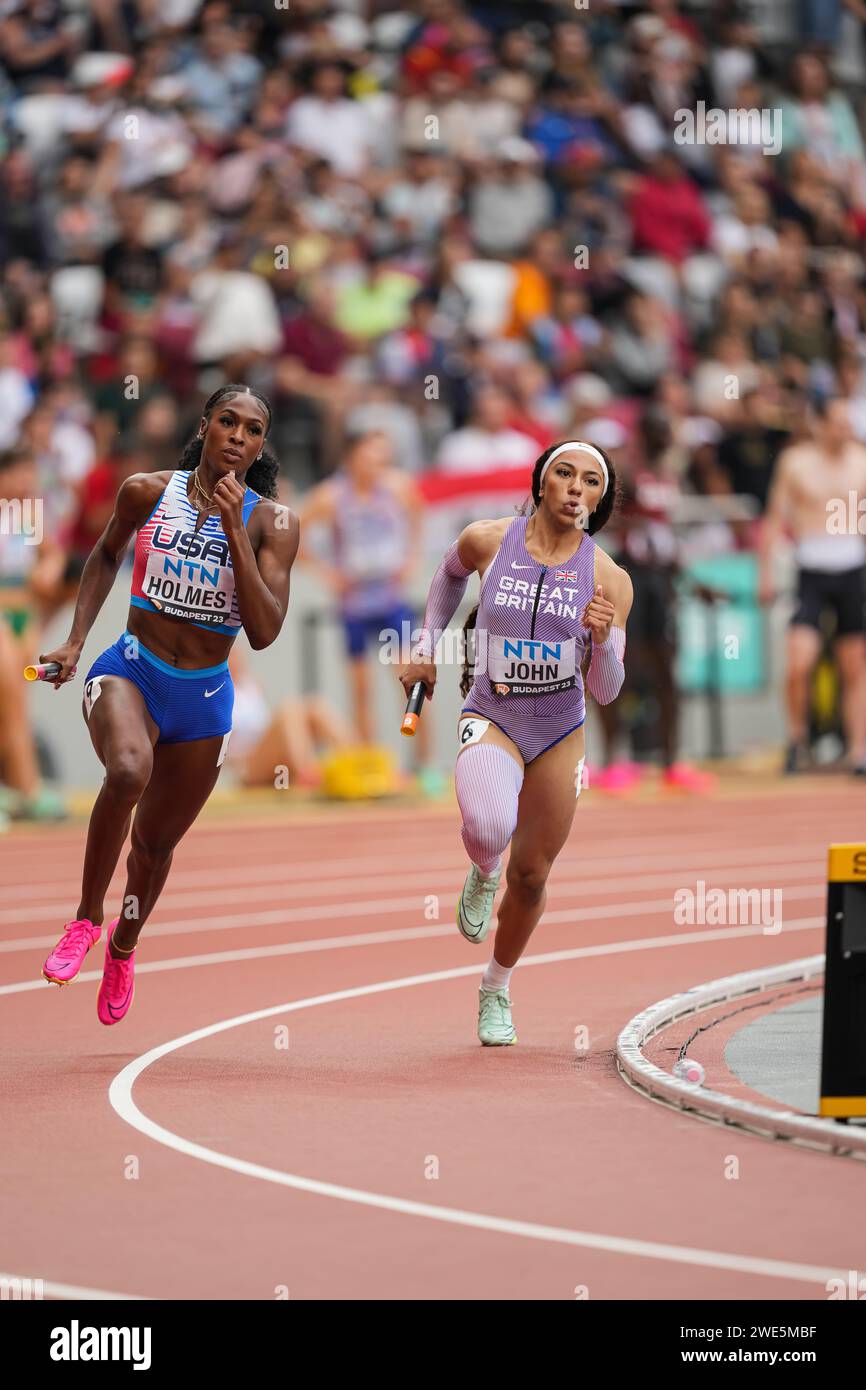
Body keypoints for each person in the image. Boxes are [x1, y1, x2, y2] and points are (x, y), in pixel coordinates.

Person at [38, 384, 299, 1023]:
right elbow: (103, 556)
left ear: (261, 445)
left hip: (204, 698)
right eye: (227, 422)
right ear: (205, 425)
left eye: (253, 430)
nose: (238, 436)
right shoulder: (146, 491)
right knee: (128, 770)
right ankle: (84, 922)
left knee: (154, 848)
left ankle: (124, 946)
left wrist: (236, 528)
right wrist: (74, 641)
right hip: (132, 668)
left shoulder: (274, 523)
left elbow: (264, 632)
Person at [399, 440, 632, 1045]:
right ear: (541, 482)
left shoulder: (609, 579)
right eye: (564, 473)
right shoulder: (488, 538)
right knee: (489, 827)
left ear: (600, 500)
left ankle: (496, 987)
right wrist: (427, 644)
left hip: (559, 726)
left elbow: (606, 691)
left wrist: (603, 641)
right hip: (493, 709)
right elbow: (447, 577)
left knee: (530, 875)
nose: (576, 487)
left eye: (590, 481)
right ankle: (482, 868)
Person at [297, 429, 444, 794]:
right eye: (371, 456)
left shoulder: (397, 486)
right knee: (361, 690)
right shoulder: (332, 495)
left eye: (383, 457)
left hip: (391, 598)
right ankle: (371, 767)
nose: (378, 464)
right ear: (352, 458)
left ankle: (426, 765)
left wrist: (412, 557)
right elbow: (295, 531)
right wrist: (326, 573)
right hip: (355, 602)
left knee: (412, 680)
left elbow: (420, 514)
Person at [759, 396, 866, 774]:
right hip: (812, 568)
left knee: (854, 667)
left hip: (851, 567)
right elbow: (773, 519)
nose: (845, 429)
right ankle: (797, 739)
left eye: (847, 422)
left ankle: (858, 750)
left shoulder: (861, 461)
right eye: (837, 422)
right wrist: (766, 573)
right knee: (798, 663)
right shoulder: (797, 462)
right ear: (820, 423)